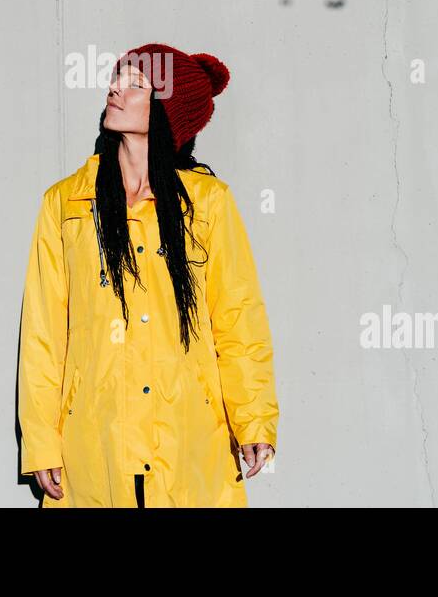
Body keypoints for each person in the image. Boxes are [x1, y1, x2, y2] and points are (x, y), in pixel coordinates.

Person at [17, 42, 279, 507]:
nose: (114, 88)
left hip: (187, 441)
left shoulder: (207, 204)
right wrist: (40, 439)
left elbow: (238, 320)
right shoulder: (67, 204)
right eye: (116, 78)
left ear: (167, 110)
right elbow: (44, 333)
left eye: (135, 83)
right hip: (95, 441)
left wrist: (253, 419)